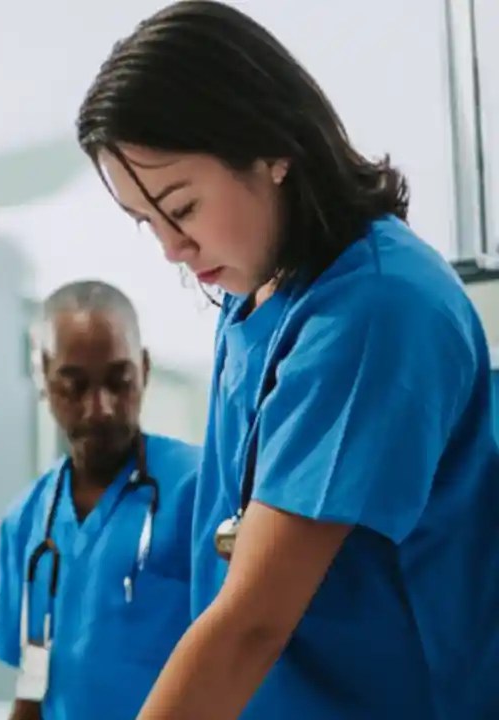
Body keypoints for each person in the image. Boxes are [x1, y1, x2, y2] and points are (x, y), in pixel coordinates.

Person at [75, 2, 499, 718]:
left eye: (181, 207)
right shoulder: (257, 292)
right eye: (146, 223)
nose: (171, 248)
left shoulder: (376, 310)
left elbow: (251, 625)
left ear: (272, 149)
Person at [0, 280, 200, 720]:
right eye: (74, 386)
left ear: (145, 369)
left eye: (119, 382)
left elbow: (248, 649)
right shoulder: (27, 521)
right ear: (42, 375)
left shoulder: (201, 488)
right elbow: (34, 678)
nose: (101, 408)